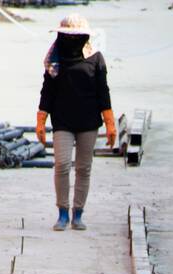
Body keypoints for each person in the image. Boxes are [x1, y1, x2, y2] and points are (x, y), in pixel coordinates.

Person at [36, 15, 115, 231]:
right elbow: (47, 91)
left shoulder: (96, 58)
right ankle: (62, 212)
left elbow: (103, 92)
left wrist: (110, 124)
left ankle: (77, 214)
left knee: (83, 168)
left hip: (89, 122)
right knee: (61, 165)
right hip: (62, 120)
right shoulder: (53, 58)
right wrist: (40, 121)